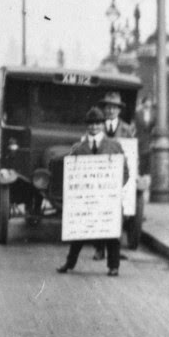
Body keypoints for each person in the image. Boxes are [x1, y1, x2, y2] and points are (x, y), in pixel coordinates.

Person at [55, 107, 128, 275]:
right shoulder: (78, 148)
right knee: (79, 231)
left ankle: (113, 266)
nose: (94, 127)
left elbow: (125, 172)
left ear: (102, 125)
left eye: (97, 124)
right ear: (87, 126)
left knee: (111, 231)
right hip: (85, 198)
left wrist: (113, 189)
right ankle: (69, 263)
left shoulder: (115, 146)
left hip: (108, 198)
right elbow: (71, 174)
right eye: (91, 124)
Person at [93, 90, 135, 261]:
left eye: (114, 108)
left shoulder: (127, 129)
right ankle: (99, 249)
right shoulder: (97, 127)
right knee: (98, 211)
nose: (110, 111)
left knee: (118, 213)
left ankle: (114, 251)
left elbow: (132, 153)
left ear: (119, 110)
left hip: (119, 177)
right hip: (100, 177)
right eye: (108, 108)